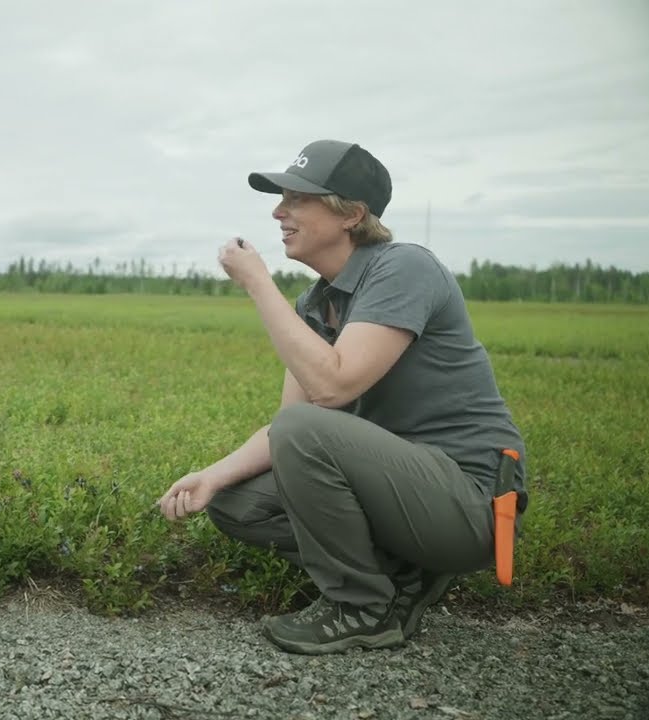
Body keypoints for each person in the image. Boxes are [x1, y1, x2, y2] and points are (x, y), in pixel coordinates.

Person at [158, 139, 527, 655]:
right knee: (236, 504)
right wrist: (212, 477)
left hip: (468, 502)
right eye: (281, 197)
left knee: (303, 432)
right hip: (402, 493)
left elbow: (332, 386)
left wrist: (259, 284)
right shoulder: (317, 303)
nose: (278, 211)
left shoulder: (404, 268)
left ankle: (361, 608)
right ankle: (402, 576)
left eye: (298, 199)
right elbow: (289, 425)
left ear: (352, 214)